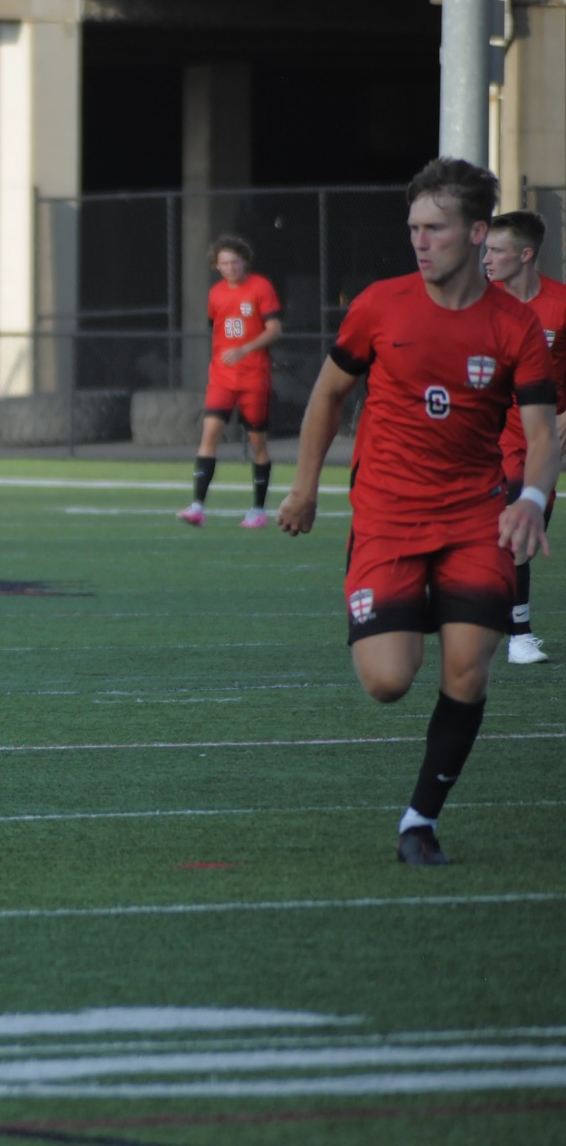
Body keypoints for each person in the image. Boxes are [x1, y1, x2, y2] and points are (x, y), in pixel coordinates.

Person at [278, 158, 558, 867]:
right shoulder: (380, 304)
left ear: (476, 230)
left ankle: (419, 821)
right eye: (413, 228)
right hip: (387, 516)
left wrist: (530, 499)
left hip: (473, 516)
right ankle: (419, 606)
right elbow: (327, 394)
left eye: (435, 227)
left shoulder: (514, 326)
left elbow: (542, 433)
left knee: (468, 669)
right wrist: (305, 487)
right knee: (387, 680)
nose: (420, 241)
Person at [481, 209, 566, 665]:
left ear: (526, 254)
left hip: (543, 436)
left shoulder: (560, 304)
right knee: (512, 525)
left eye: (496, 250)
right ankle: (519, 632)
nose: (487, 259)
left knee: (526, 530)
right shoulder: (478, 302)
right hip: (493, 432)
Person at [179, 235, 282, 529]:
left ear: (244, 261)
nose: (230, 267)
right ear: (216, 266)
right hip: (222, 378)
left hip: (254, 377)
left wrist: (245, 349)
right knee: (209, 433)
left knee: (257, 443)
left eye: (235, 262)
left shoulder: (261, 287)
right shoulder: (216, 294)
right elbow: (218, 328)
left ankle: (258, 510)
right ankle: (197, 506)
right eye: (224, 263)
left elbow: (275, 329)